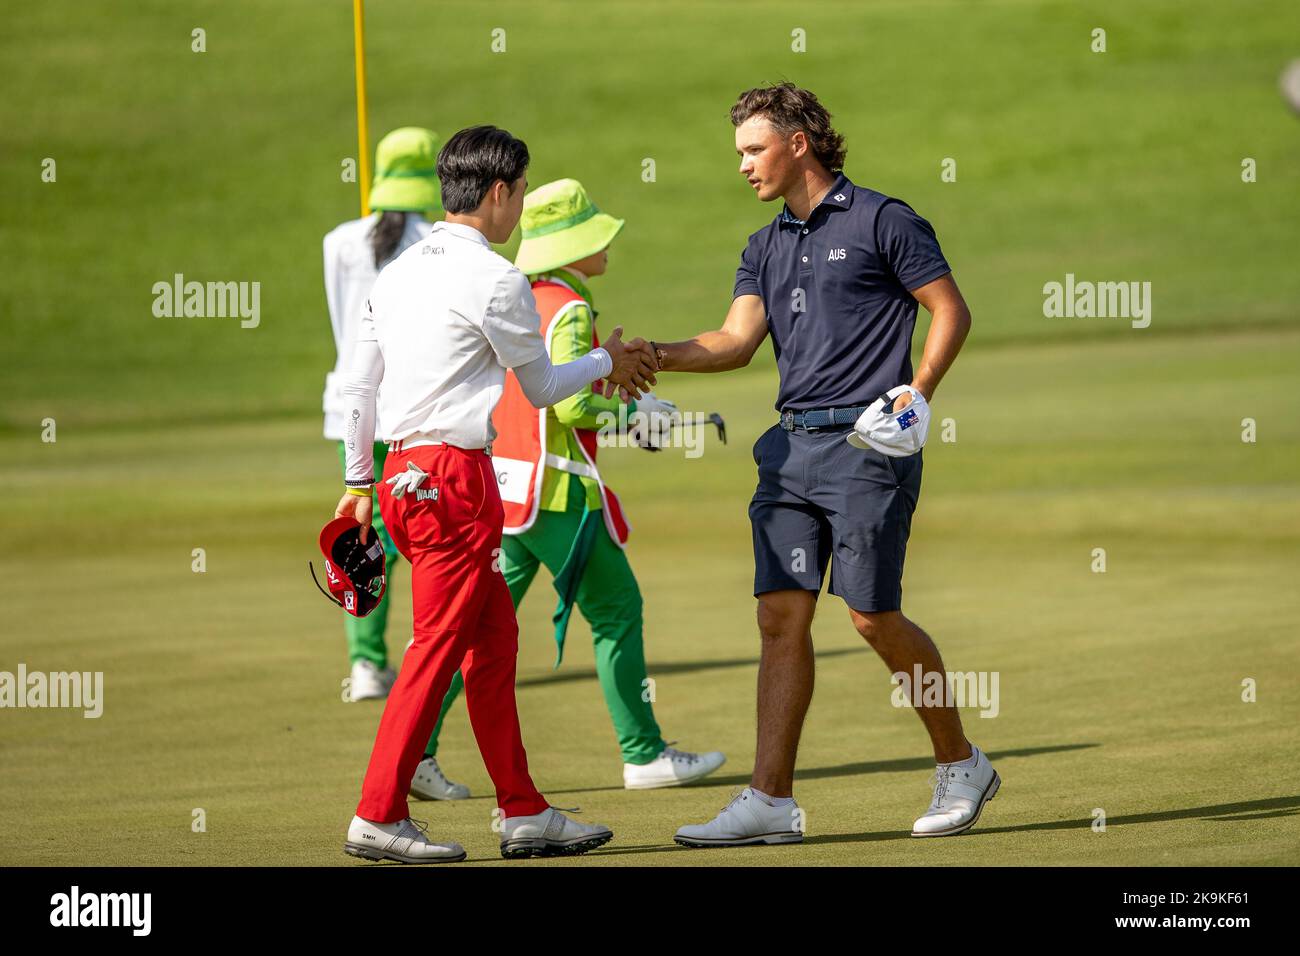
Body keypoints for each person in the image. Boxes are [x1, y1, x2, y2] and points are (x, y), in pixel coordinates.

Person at [642, 84, 997, 847]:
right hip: (790, 451)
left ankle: (961, 762)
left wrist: (919, 392)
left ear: (798, 143)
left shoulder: (882, 219)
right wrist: (653, 356)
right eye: (739, 151)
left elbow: (950, 308)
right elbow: (735, 344)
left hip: (870, 446)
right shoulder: (763, 245)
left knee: (872, 615)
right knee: (780, 617)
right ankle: (770, 800)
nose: (741, 165)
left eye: (752, 149)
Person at [334, 125, 659, 863]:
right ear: (499, 193)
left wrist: (356, 482)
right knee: (434, 648)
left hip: (397, 477)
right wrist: (612, 357)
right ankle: (377, 812)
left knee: (492, 640)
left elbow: (359, 387)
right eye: (517, 197)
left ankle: (523, 810)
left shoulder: (397, 272)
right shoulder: (497, 280)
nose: (517, 216)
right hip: (455, 481)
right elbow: (543, 386)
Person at [418, 179, 726, 791]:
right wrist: (634, 416)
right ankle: (644, 755)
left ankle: (417, 753)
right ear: (569, 247)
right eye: (592, 234)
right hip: (557, 497)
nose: (606, 243)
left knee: (472, 628)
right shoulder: (571, 306)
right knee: (617, 613)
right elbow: (570, 406)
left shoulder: (517, 295)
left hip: (506, 495)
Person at [321, 126, 472, 802]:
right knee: (422, 534)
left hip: (352, 402)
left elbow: (339, 323)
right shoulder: (434, 245)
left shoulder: (340, 242)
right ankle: (420, 655)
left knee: (369, 534)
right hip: (410, 406)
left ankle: (365, 662)